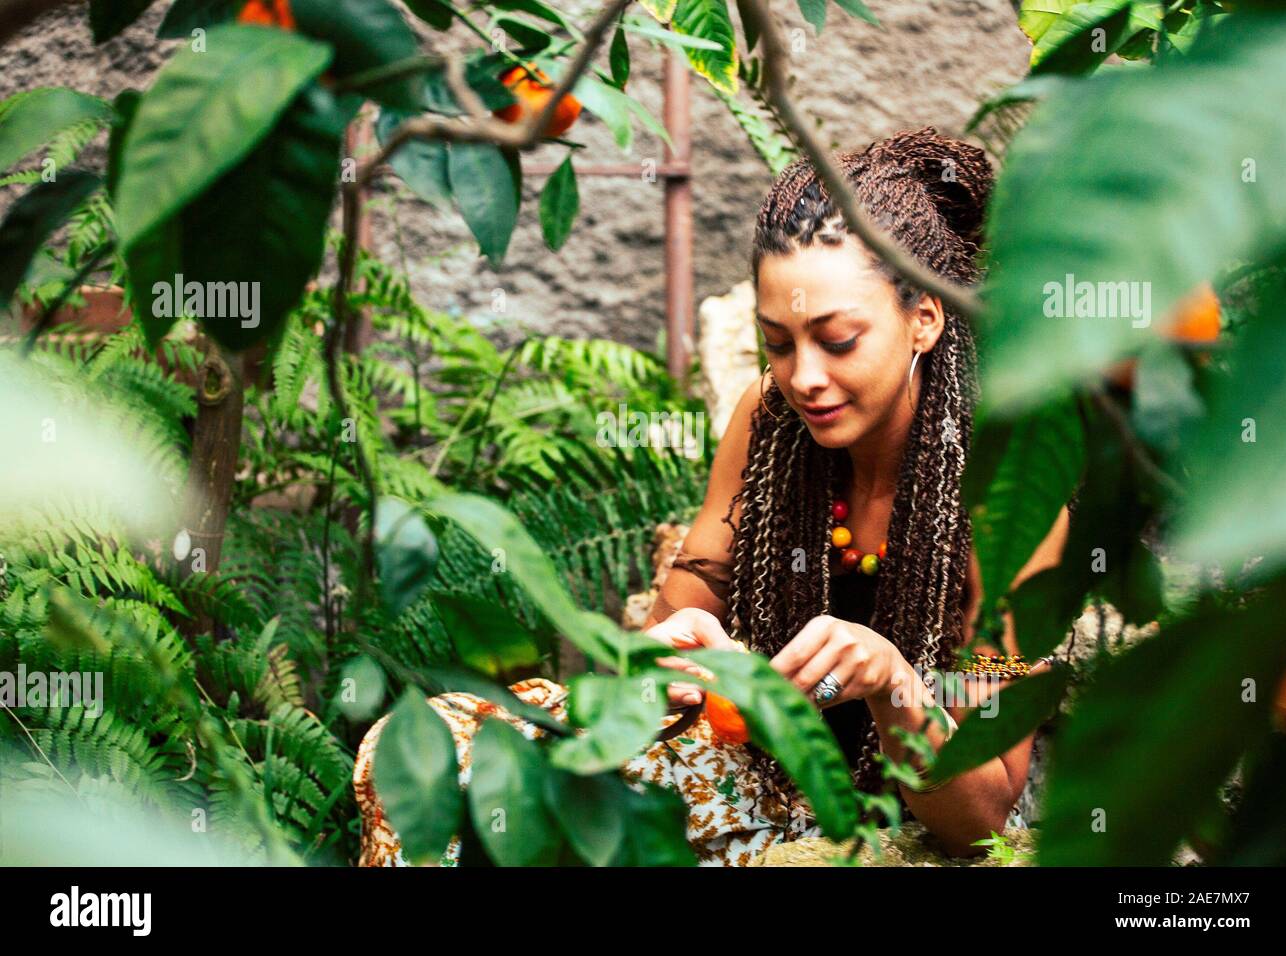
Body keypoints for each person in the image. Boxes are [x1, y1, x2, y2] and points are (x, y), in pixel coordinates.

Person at [353, 127, 1070, 866]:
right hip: (751, 768)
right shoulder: (769, 420)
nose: (805, 378)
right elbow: (678, 614)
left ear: (924, 317)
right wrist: (662, 663)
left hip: (886, 815)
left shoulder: (1012, 498)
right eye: (781, 343)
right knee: (418, 753)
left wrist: (892, 684)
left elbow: (981, 817)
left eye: (838, 339)